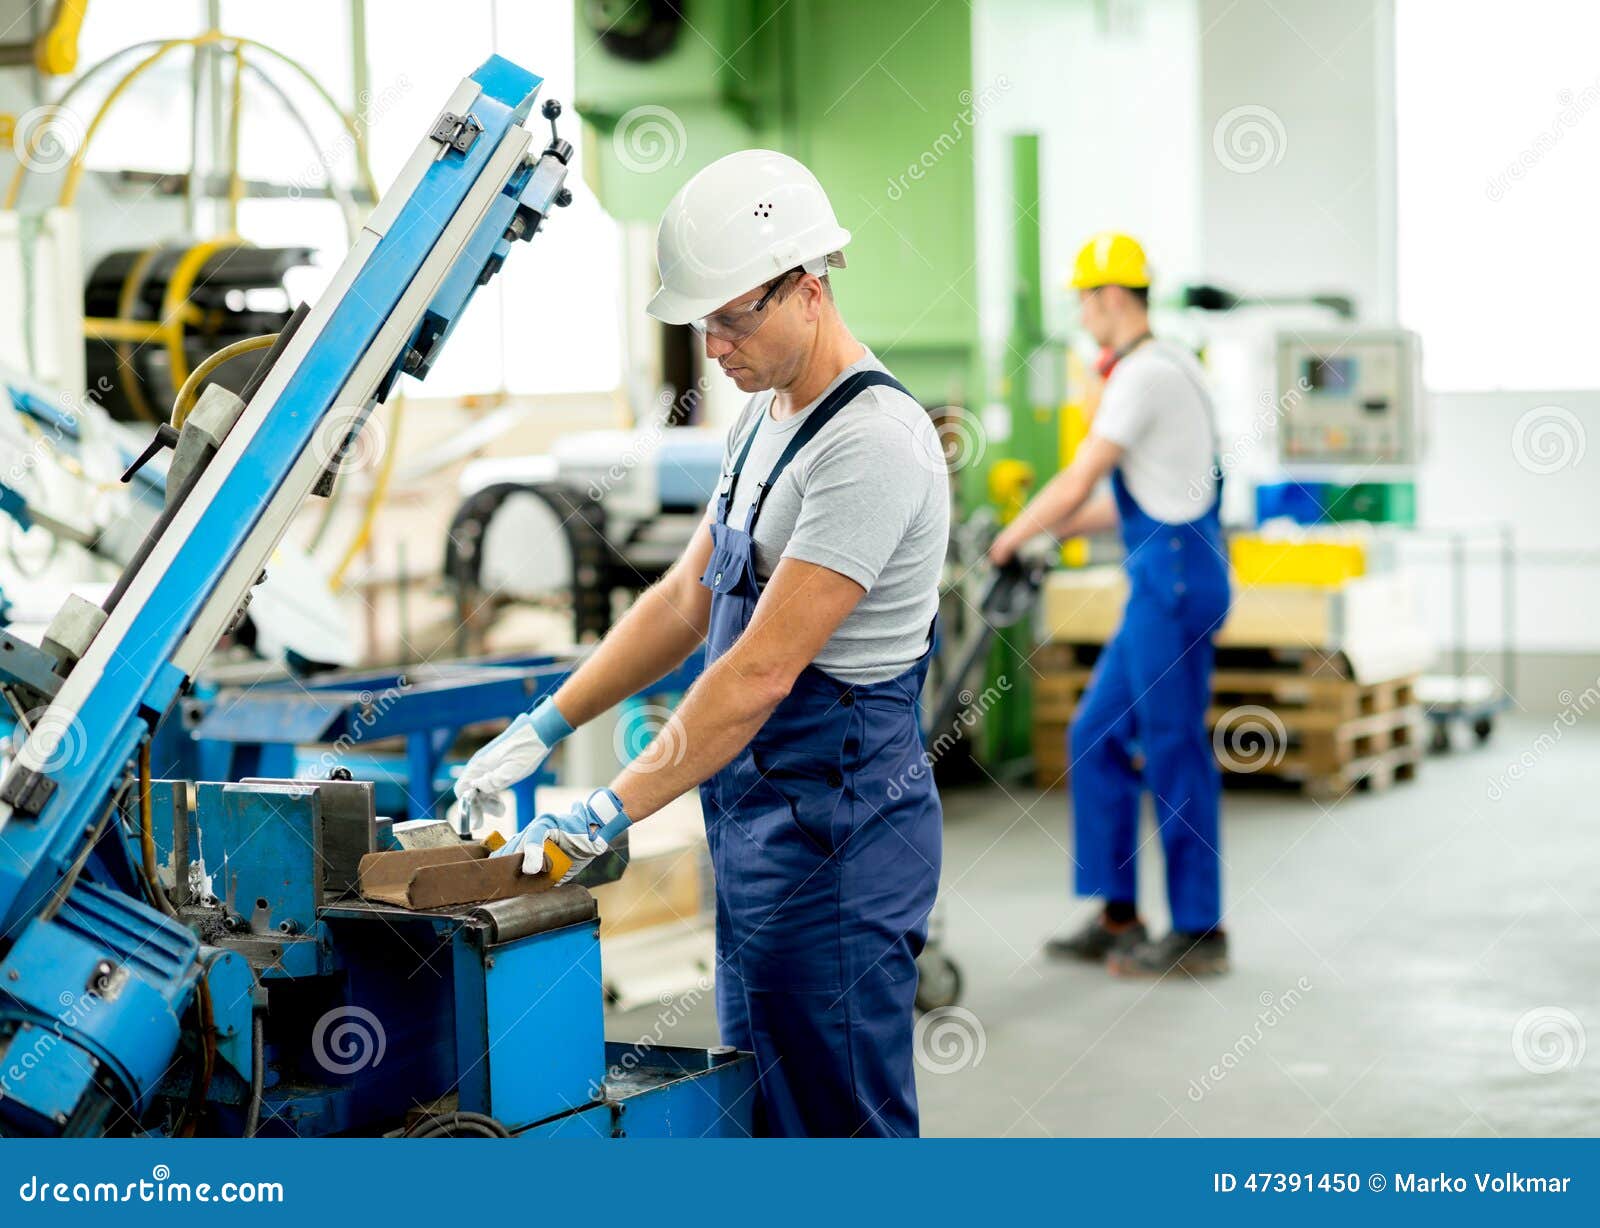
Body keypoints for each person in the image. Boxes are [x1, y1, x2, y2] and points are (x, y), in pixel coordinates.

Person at [454, 149, 949, 1134]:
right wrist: (545, 722)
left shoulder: (871, 446)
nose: (713, 346)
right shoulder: (763, 420)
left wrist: (606, 807)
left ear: (808, 289)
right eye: (701, 323)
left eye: (730, 318)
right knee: (762, 1112)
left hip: (837, 848)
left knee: (840, 1126)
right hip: (757, 829)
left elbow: (759, 672)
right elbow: (684, 598)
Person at [989, 232, 1232, 978]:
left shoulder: (1146, 374)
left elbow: (1083, 475)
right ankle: (1118, 914)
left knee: (1172, 747)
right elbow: (1127, 503)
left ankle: (1199, 931)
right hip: (1165, 576)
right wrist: (1048, 528)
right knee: (1094, 735)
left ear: (1113, 297)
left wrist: (1013, 536)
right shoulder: (1166, 367)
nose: (1082, 315)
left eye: (1085, 300)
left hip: (1177, 582)